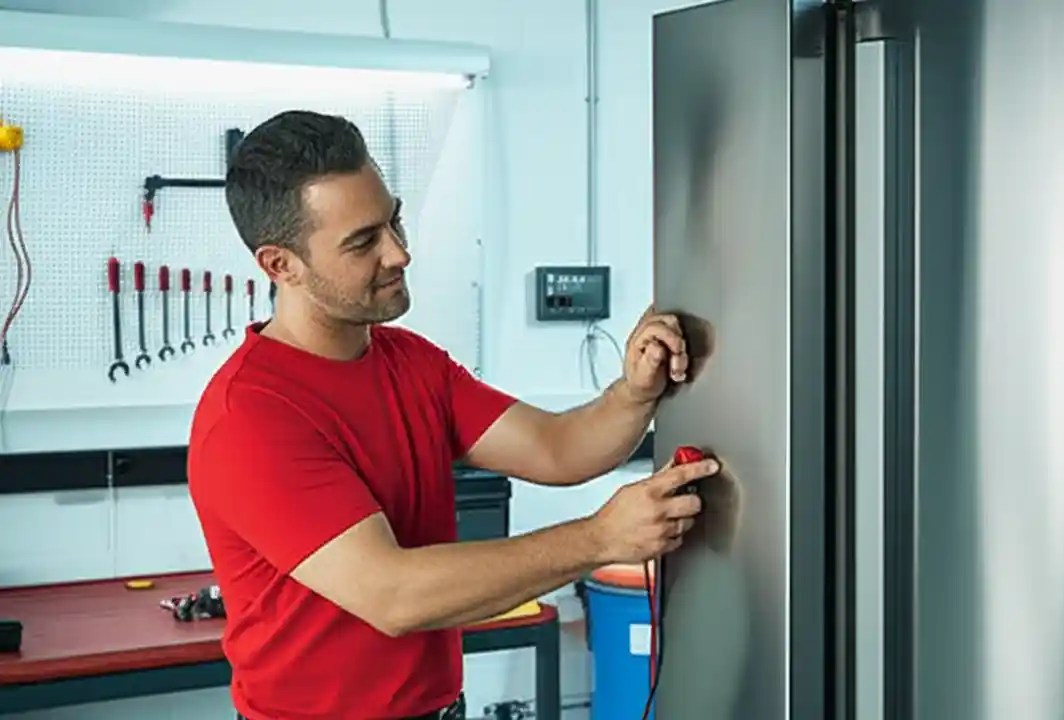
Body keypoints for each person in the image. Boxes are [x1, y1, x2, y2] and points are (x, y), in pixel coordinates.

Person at [186, 110, 717, 720]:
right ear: (281, 265)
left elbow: (558, 448)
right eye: (363, 242)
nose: (400, 253)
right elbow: (393, 594)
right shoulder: (251, 417)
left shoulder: (409, 362)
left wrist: (634, 389)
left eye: (395, 221)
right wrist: (600, 538)